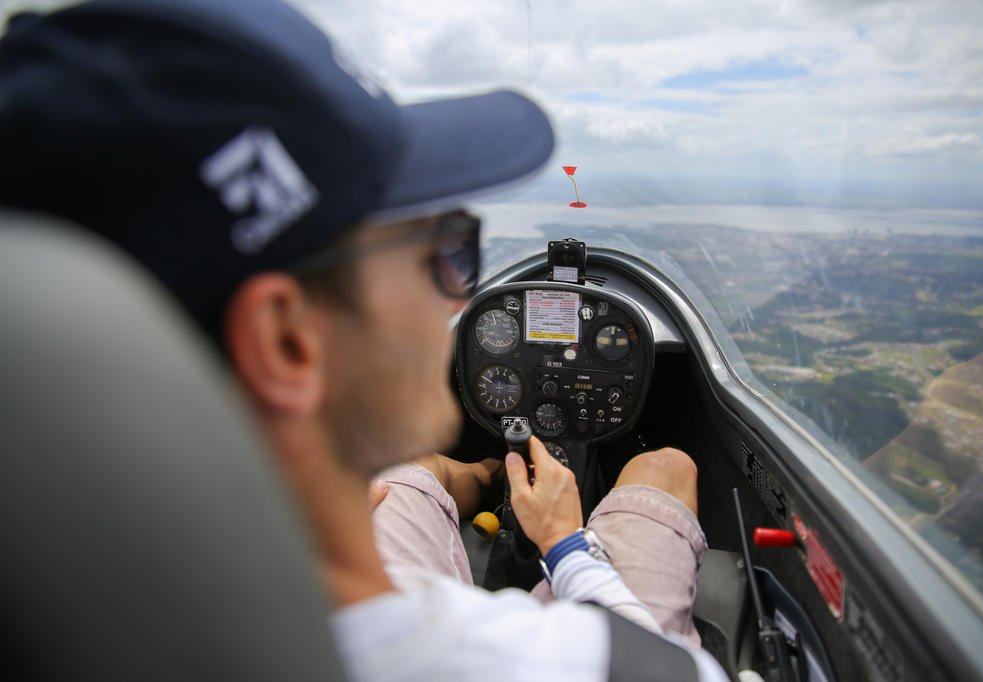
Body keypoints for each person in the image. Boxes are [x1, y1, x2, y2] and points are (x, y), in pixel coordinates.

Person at [0, 0, 725, 679]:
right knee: (663, 468)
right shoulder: (564, 661)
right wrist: (567, 547)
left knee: (417, 470)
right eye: (443, 247)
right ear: (287, 343)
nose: (455, 294)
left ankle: (488, 482)